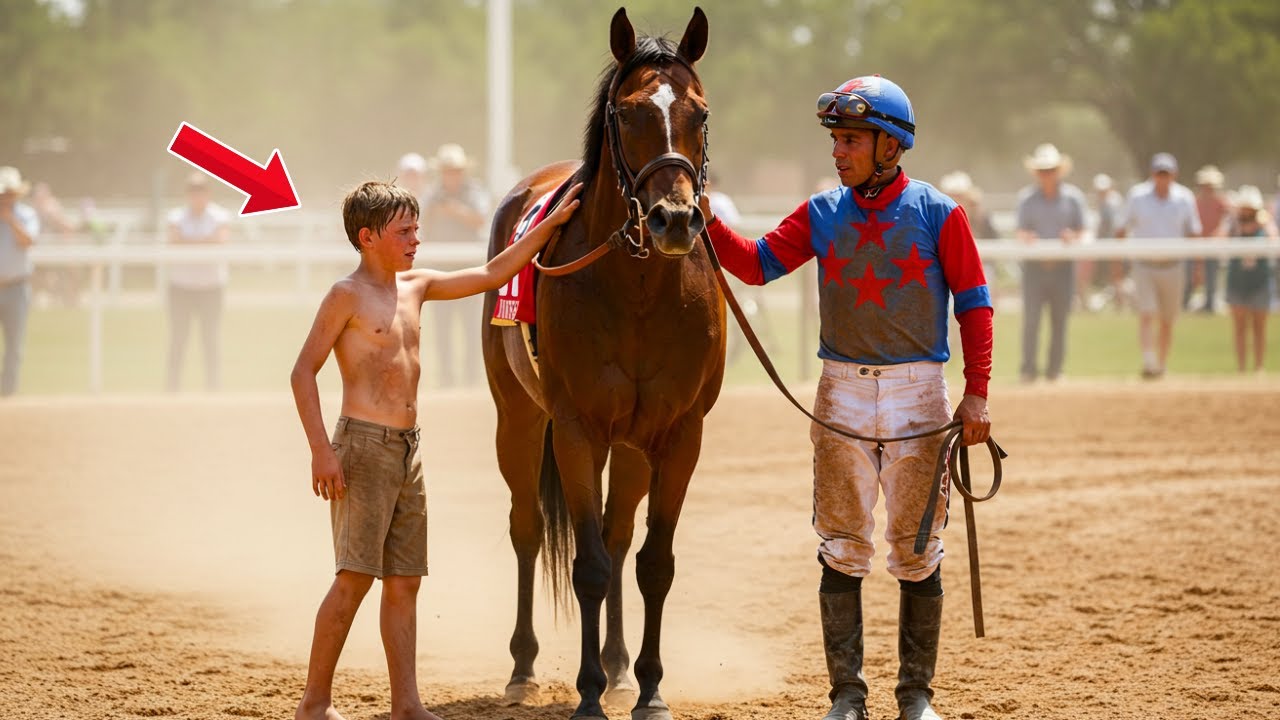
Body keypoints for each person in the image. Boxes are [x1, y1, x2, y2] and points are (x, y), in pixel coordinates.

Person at [701, 75, 993, 720]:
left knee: (917, 551)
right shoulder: (822, 212)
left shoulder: (941, 212)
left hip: (921, 397)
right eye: (836, 139)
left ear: (890, 145)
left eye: (851, 139)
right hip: (840, 395)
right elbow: (755, 264)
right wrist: (703, 217)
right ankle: (848, 697)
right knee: (841, 545)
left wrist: (977, 396)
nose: (839, 151)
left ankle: (916, 696)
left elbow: (975, 304)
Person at [289, 179, 581, 720]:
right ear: (368, 236)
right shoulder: (345, 296)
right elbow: (302, 371)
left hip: (407, 450)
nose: (416, 239)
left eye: (417, 229)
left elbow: (494, 274)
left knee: (405, 582)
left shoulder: (416, 286)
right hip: (362, 447)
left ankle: (408, 705)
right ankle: (314, 703)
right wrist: (321, 451)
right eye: (404, 231)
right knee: (354, 578)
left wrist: (552, 225)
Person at [1116, 153, 1202, 379]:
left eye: (1166, 173)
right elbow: (1121, 229)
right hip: (1144, 264)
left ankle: (1161, 365)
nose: (1162, 178)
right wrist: (1118, 263)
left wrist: (1197, 267)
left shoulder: (1184, 197)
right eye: (1159, 173)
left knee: (1167, 319)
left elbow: (1194, 232)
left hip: (1174, 265)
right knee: (1147, 314)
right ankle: (1149, 363)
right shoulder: (1137, 196)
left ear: (1174, 174)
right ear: (1152, 174)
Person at [1014, 143, 1087, 383]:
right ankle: (1028, 369)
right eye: (1043, 170)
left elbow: (1083, 231)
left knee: (1060, 320)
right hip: (1035, 268)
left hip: (1062, 268)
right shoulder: (1027, 199)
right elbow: (1019, 232)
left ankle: (1055, 370)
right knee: (1031, 320)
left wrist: (1072, 237)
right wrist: (1027, 238)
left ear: (1059, 171)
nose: (1047, 175)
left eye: (1051, 169)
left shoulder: (1074, 198)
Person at [420, 143, 490, 388]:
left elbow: (480, 219)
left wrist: (453, 211)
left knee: (471, 326)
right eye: (448, 171)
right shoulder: (432, 194)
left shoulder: (474, 192)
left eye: (455, 170)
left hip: (468, 270)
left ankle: (470, 377)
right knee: (442, 327)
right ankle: (446, 377)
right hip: (440, 270)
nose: (451, 176)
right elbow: (421, 224)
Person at [165, 172, 231, 391]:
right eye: (193, 191)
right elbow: (174, 239)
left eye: (200, 190)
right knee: (178, 338)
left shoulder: (219, 215)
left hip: (211, 287)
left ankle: (213, 387)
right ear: (187, 194)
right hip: (181, 286)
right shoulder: (176, 216)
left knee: (210, 338)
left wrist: (189, 242)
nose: (197, 196)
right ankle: (172, 388)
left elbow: (220, 239)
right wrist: (204, 242)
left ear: (208, 193)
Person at [1224, 185, 1274, 373]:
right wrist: (1234, 222)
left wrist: (1262, 223)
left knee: (1259, 326)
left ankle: (1259, 366)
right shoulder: (1232, 224)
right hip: (1238, 281)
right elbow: (1219, 239)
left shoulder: (1264, 224)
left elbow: (1273, 238)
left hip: (1259, 281)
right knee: (1239, 326)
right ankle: (1241, 367)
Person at [0, 166, 39, 397]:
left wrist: (10, 220)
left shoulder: (26, 215)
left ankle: (8, 394)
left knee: (15, 346)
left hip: (17, 288)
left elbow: (28, 241)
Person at [1185, 165, 1230, 313]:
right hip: (1196, 243)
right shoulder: (1194, 202)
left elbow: (1227, 221)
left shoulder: (1221, 202)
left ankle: (1209, 304)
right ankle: (1185, 301)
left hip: (1213, 244)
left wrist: (1219, 234)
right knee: (1190, 273)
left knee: (1211, 275)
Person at [1091, 173, 1128, 310]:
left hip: (1114, 244)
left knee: (1116, 275)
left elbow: (1112, 227)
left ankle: (1120, 302)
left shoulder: (1111, 203)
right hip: (1111, 244)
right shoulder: (1108, 202)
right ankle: (1119, 302)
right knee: (1115, 276)